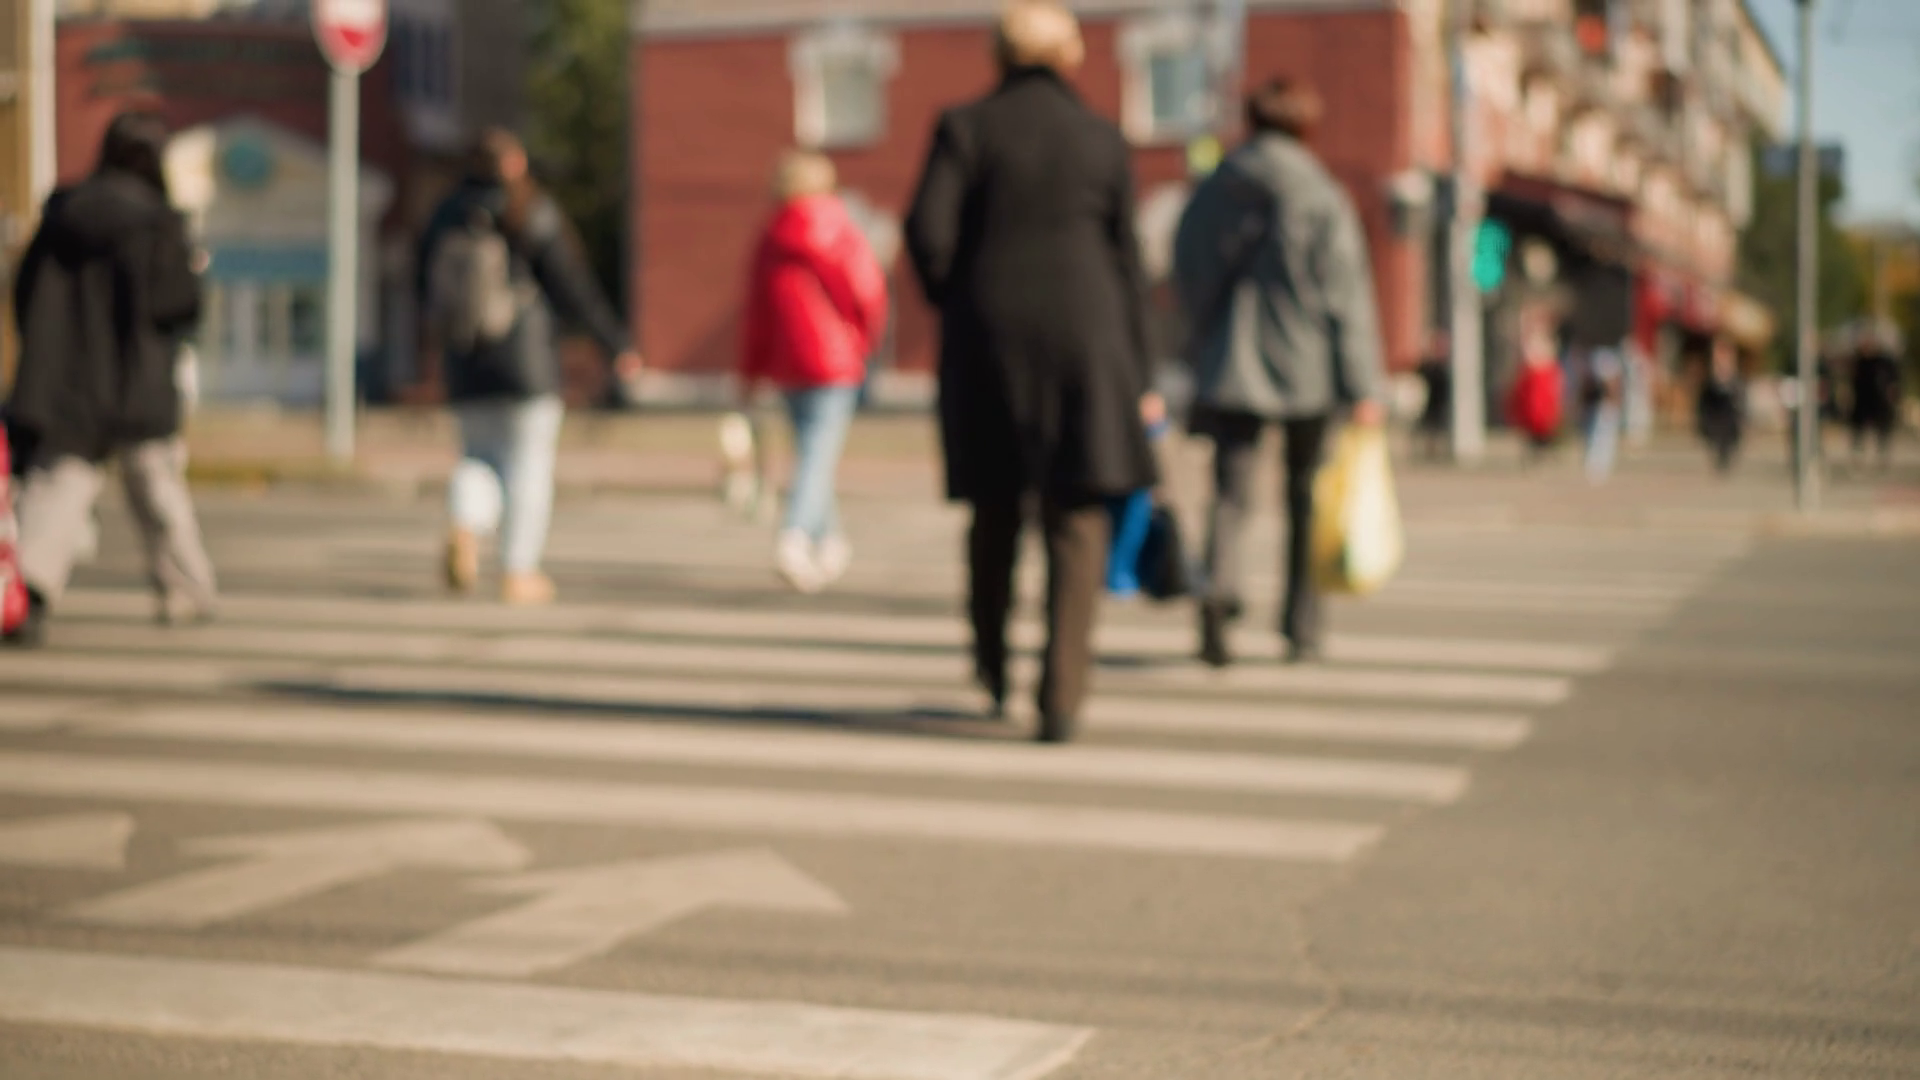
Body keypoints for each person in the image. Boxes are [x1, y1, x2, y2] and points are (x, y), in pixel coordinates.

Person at [904, 0, 1161, 743]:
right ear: (1068, 55)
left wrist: (963, 294)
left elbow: (927, 234)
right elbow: (1128, 263)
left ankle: (991, 666)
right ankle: (1063, 695)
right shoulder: (1101, 137)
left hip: (991, 337)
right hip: (1089, 336)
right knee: (1076, 516)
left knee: (995, 507)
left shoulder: (965, 127)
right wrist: (1139, 371)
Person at [1173, 76, 1387, 669]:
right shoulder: (1321, 195)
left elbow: (1183, 269)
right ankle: (1302, 625)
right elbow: (1347, 294)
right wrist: (1363, 384)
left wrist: (1201, 337)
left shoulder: (1213, 189)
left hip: (1229, 364)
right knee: (1305, 498)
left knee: (1230, 495)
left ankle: (1216, 593)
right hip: (1307, 368)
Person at [5, 112, 218, 648]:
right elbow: (178, 305)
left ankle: (27, 592)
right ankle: (188, 591)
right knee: (158, 491)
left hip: (68, 381)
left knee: (57, 489)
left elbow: (24, 293)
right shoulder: (159, 223)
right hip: (137, 380)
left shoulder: (63, 214)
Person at [419, 128, 641, 606]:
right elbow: (572, 286)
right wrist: (614, 343)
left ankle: (466, 521)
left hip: (465, 357)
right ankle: (519, 572)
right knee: (528, 469)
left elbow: (422, 285)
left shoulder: (446, 213)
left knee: (477, 458)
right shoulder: (532, 211)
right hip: (526, 361)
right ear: (516, 164)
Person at [740, 150, 889, 593]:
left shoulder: (771, 236)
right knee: (817, 455)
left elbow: (757, 313)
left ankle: (830, 541)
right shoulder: (840, 230)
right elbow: (866, 291)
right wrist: (864, 343)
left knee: (811, 452)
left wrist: (752, 369)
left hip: (789, 362)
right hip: (835, 360)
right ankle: (795, 535)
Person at [1506, 312, 1564, 466]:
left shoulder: (1547, 366)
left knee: (1542, 433)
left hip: (1541, 405)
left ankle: (1541, 453)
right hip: (1533, 405)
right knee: (1533, 434)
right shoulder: (1531, 370)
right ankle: (1536, 454)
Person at [1849, 330, 1902, 471]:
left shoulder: (1884, 361)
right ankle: (1859, 458)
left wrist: (1893, 395)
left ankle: (1882, 457)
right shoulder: (1859, 361)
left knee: (1882, 432)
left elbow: (1894, 381)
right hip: (1863, 401)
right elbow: (1853, 381)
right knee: (1859, 431)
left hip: (1880, 402)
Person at [1696, 339, 1747, 476]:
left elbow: (1740, 398)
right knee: (1718, 436)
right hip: (1716, 414)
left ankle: (1724, 458)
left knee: (1727, 438)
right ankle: (1721, 458)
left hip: (1728, 416)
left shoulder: (1735, 379)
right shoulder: (1711, 378)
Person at [1580, 346, 1624, 485]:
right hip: (1597, 405)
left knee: (1603, 438)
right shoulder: (1596, 359)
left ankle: (1598, 469)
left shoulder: (1604, 360)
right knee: (1595, 437)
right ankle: (1594, 468)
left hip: (1605, 406)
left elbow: (1613, 385)